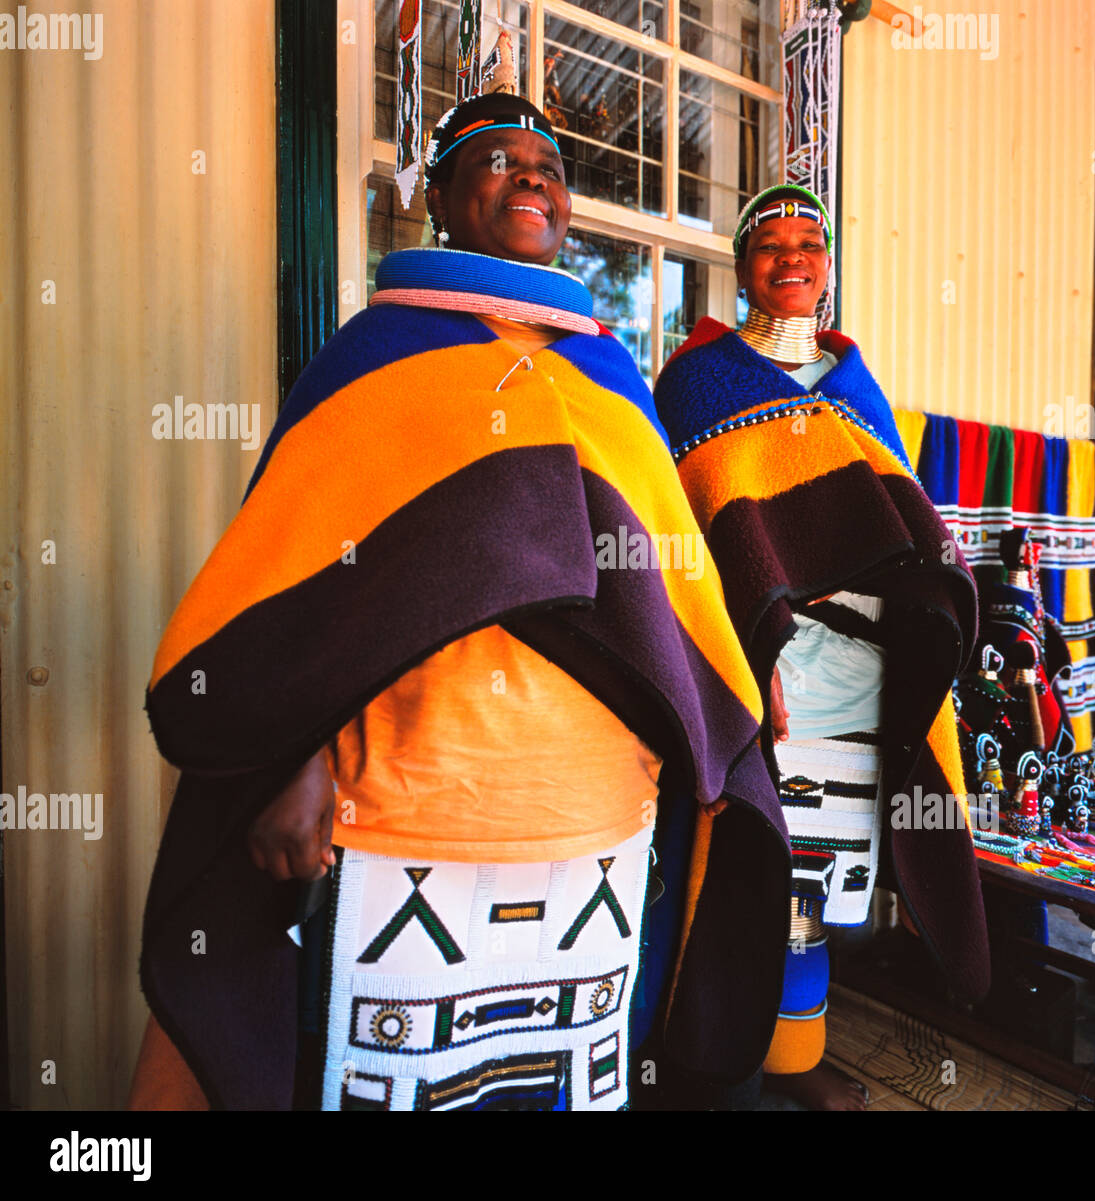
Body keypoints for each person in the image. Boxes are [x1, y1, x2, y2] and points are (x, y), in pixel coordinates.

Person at [130, 93, 789, 1111]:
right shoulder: (373, 359)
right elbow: (282, 590)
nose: (532, 176)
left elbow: (670, 593)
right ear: (436, 198)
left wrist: (728, 708)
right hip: (403, 821)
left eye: (550, 167)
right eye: (495, 159)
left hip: (595, 842)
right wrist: (287, 749)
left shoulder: (612, 378)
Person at [654, 184, 991, 1110]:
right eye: (771, 243)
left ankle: (793, 1063)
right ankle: (730, 1067)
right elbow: (685, 546)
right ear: (741, 262)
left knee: (829, 887)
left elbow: (902, 525)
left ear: (829, 267)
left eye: (811, 243)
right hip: (767, 669)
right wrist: (738, 661)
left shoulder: (855, 384)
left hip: (864, 671)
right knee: (757, 873)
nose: (792, 258)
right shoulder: (696, 383)